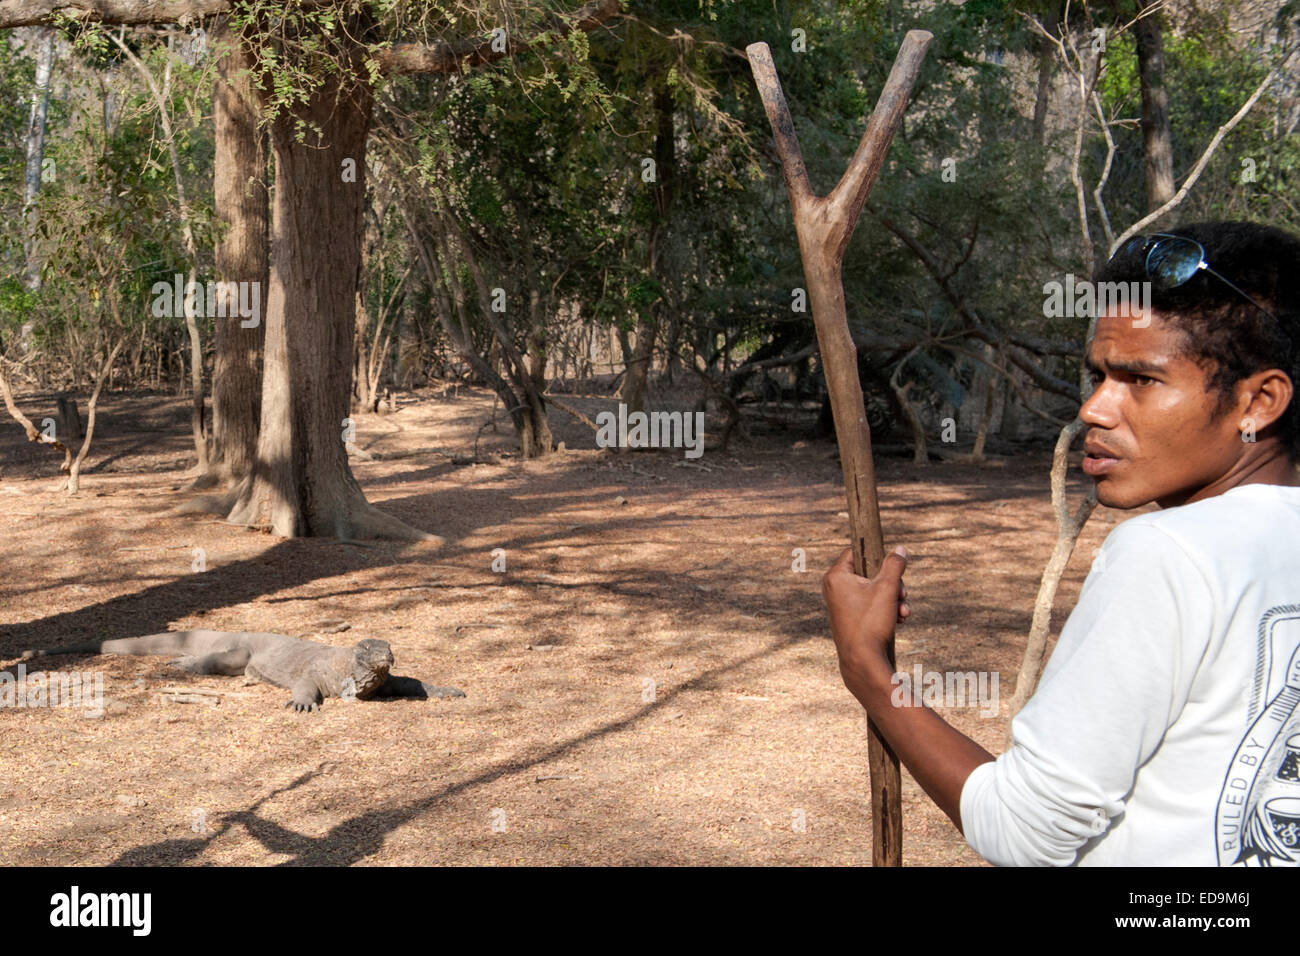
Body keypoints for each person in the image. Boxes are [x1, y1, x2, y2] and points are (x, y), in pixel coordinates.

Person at [822, 221, 1300, 866]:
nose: (1095, 410)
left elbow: (1024, 832)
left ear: (1259, 402)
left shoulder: (1167, 554)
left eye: (1141, 380)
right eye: (1099, 376)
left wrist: (867, 669)